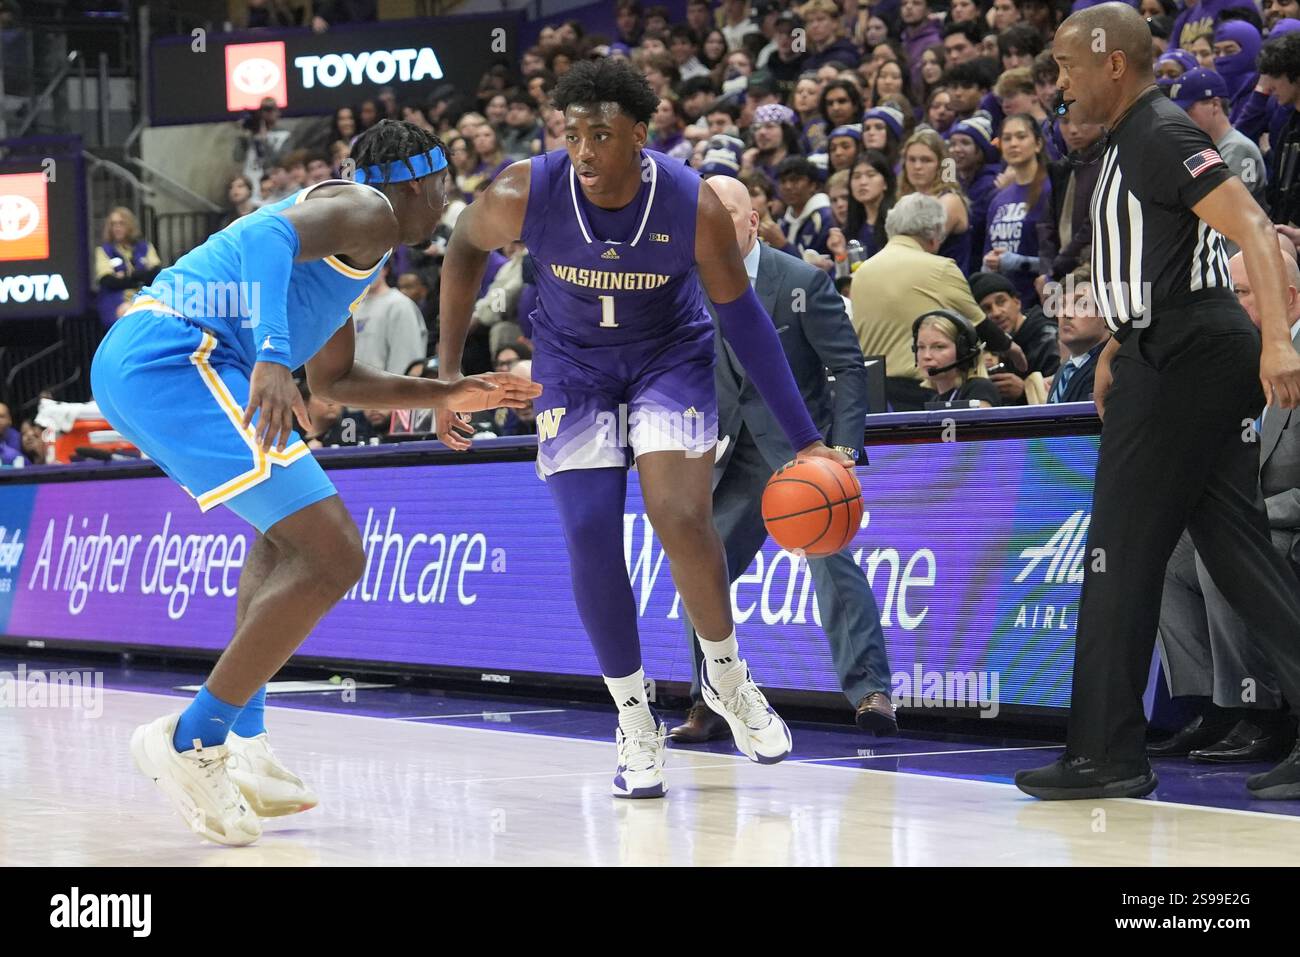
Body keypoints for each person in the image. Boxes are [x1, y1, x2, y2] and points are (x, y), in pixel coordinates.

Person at [91, 120, 539, 844]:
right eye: (444, 188)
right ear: (418, 184)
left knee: (288, 537)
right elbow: (267, 238)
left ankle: (246, 738)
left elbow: (337, 378)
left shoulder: (353, 252)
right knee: (336, 554)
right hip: (180, 350)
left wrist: (448, 394)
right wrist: (271, 353)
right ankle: (192, 736)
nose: (448, 204)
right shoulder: (369, 208)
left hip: (173, 355)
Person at [434, 59, 852, 799]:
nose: (585, 150)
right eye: (572, 134)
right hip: (571, 368)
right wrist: (445, 375)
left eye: (601, 134)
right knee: (591, 530)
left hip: (669, 357)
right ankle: (633, 718)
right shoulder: (522, 189)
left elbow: (745, 319)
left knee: (680, 514)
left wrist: (805, 438)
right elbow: (464, 247)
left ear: (639, 134)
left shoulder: (690, 203)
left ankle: (726, 675)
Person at [1016, 3, 1300, 802]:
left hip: (1185, 356)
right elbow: (1162, 267)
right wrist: (1115, 345)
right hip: (1170, 346)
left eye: (1069, 67)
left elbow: (1251, 224)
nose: (1060, 83)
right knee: (1238, 550)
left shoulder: (1161, 133)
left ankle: (1106, 752)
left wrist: (1279, 337)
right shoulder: (1125, 141)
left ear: (1113, 62)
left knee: (1116, 553)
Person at [670, 174, 896, 744]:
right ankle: (710, 703)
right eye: (707, 213)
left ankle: (871, 692)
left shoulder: (800, 280)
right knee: (703, 571)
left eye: (729, 211)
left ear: (752, 220)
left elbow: (849, 368)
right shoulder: (685, 285)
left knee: (834, 567)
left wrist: (843, 449)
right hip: (730, 454)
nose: (716, 221)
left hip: (802, 453)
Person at [1151, 243, 1300, 763]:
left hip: (1287, 523)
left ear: (1288, 300)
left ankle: (1262, 713)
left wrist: (1252, 518)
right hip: (1253, 522)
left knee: (1226, 555)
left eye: (1239, 293)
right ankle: (1211, 706)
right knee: (1168, 555)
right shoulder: (1236, 359)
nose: (1228, 306)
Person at [850, 193, 1025, 411]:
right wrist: (1014, 350)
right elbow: (978, 324)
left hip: (872, 393)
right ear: (934, 235)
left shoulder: (861, 273)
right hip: (921, 387)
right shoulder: (940, 268)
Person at [969, 270, 1060, 403]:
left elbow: (1062, 391)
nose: (996, 313)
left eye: (1001, 302)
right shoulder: (986, 346)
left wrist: (1024, 390)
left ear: (1017, 302)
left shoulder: (1048, 337)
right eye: (986, 308)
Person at [1045, 267, 1111, 403]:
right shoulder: (1065, 369)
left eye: (1081, 304)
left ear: (1107, 315)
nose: (1066, 313)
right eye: (1062, 304)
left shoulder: (1112, 368)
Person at [353, 262, 428, 374]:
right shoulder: (353, 308)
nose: (366, 270)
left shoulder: (400, 305)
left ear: (385, 269)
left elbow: (405, 361)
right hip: (354, 387)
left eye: (371, 264)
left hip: (385, 388)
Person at [913, 310, 1001, 407]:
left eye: (939, 347)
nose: (926, 356)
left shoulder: (980, 389)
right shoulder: (935, 399)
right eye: (921, 347)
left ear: (963, 351)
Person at [94, 207, 161, 327]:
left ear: (130, 225)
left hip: (145, 299)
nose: (117, 228)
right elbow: (108, 281)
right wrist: (139, 278)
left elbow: (155, 273)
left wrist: (126, 277)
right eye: (113, 224)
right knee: (127, 311)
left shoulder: (145, 247)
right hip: (117, 302)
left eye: (121, 223)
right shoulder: (103, 251)